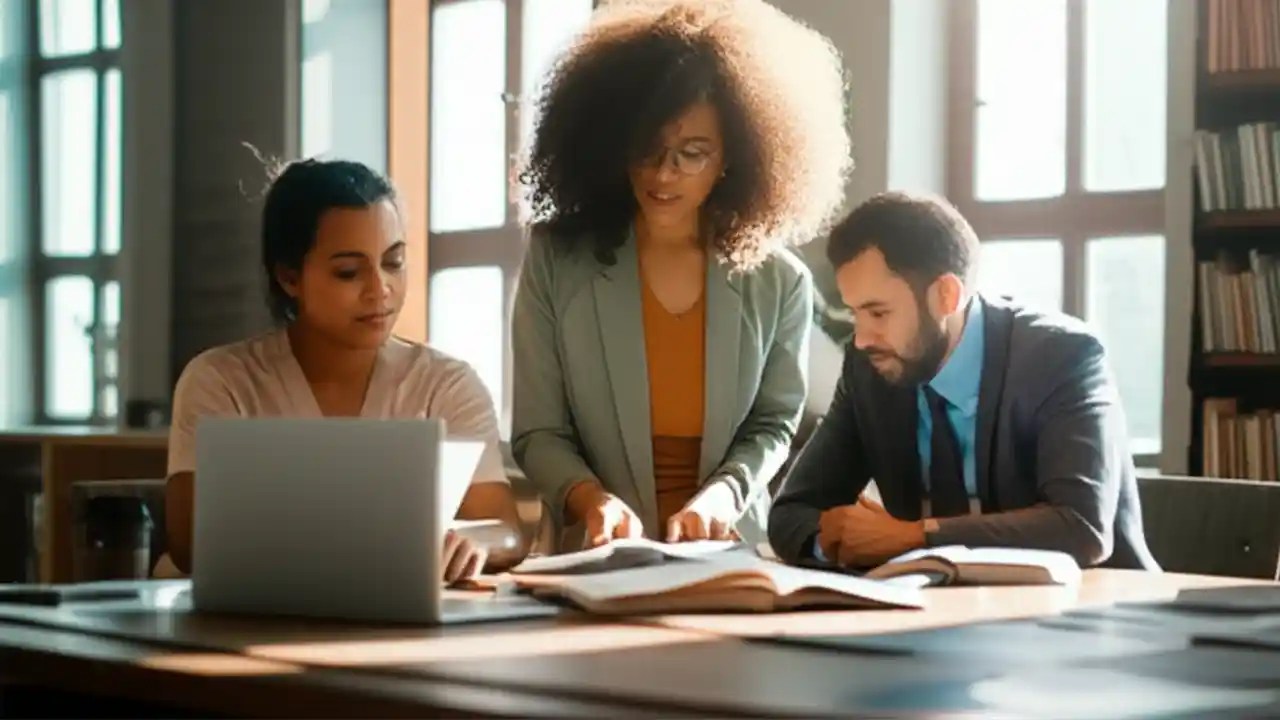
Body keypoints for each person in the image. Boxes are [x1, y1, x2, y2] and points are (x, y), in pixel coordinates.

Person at [512, 0, 850, 550]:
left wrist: (723, 496)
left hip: (727, 554)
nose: (663, 173)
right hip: (594, 555)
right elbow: (537, 431)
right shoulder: (556, 258)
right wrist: (590, 498)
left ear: (733, 157)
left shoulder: (778, 281)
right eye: (646, 149)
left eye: (692, 153)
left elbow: (773, 424)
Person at [164, 158, 525, 584]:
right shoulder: (221, 381)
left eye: (393, 262)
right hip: (246, 617)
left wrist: (477, 541)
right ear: (288, 277)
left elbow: (505, 530)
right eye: (349, 272)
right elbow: (190, 544)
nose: (380, 289)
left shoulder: (447, 385)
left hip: (396, 622)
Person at [768, 191, 1160, 571]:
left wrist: (916, 536)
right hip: (928, 616)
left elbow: (1081, 527)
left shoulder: (1062, 357)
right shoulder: (870, 367)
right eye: (855, 313)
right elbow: (791, 514)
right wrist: (837, 542)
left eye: (878, 313)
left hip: (1091, 615)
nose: (861, 338)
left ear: (946, 295)